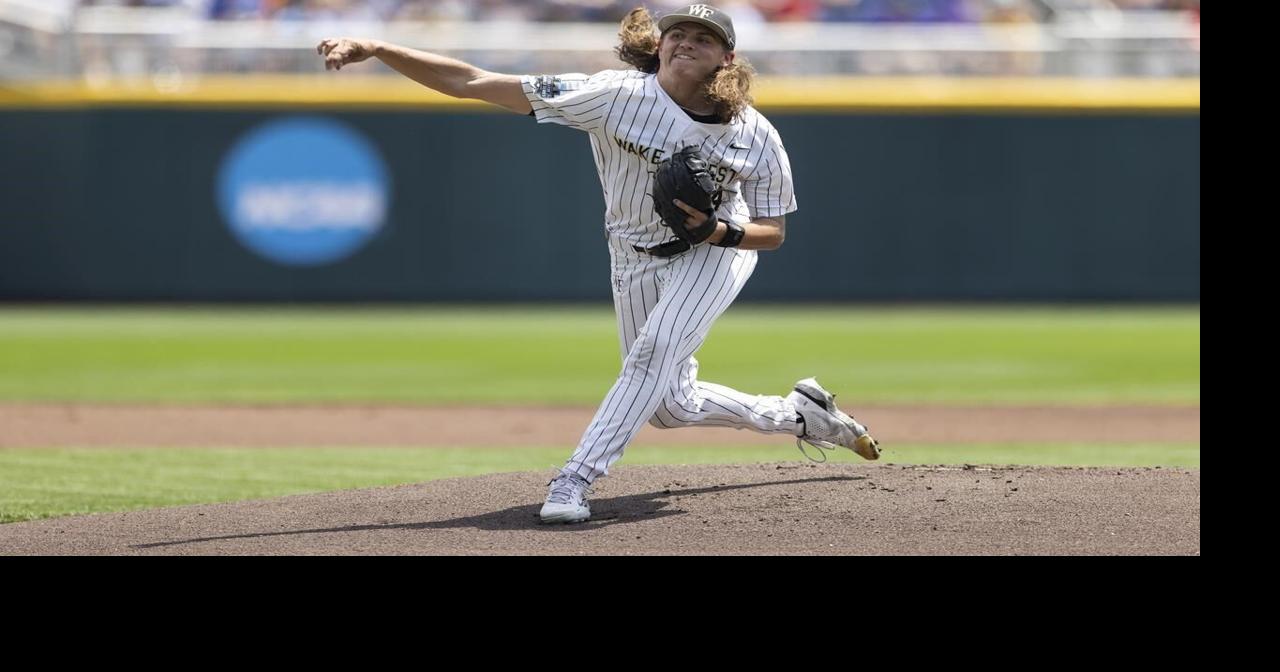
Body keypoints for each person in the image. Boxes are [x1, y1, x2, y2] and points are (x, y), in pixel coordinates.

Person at [317, 3, 879, 525]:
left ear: (726, 58)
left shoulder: (753, 133)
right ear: (659, 45)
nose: (686, 41)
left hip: (713, 252)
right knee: (669, 407)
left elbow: (772, 233)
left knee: (652, 352)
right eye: (677, 32)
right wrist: (379, 48)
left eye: (703, 38)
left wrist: (718, 230)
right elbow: (472, 83)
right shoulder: (613, 96)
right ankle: (803, 416)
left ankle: (573, 481)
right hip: (631, 253)